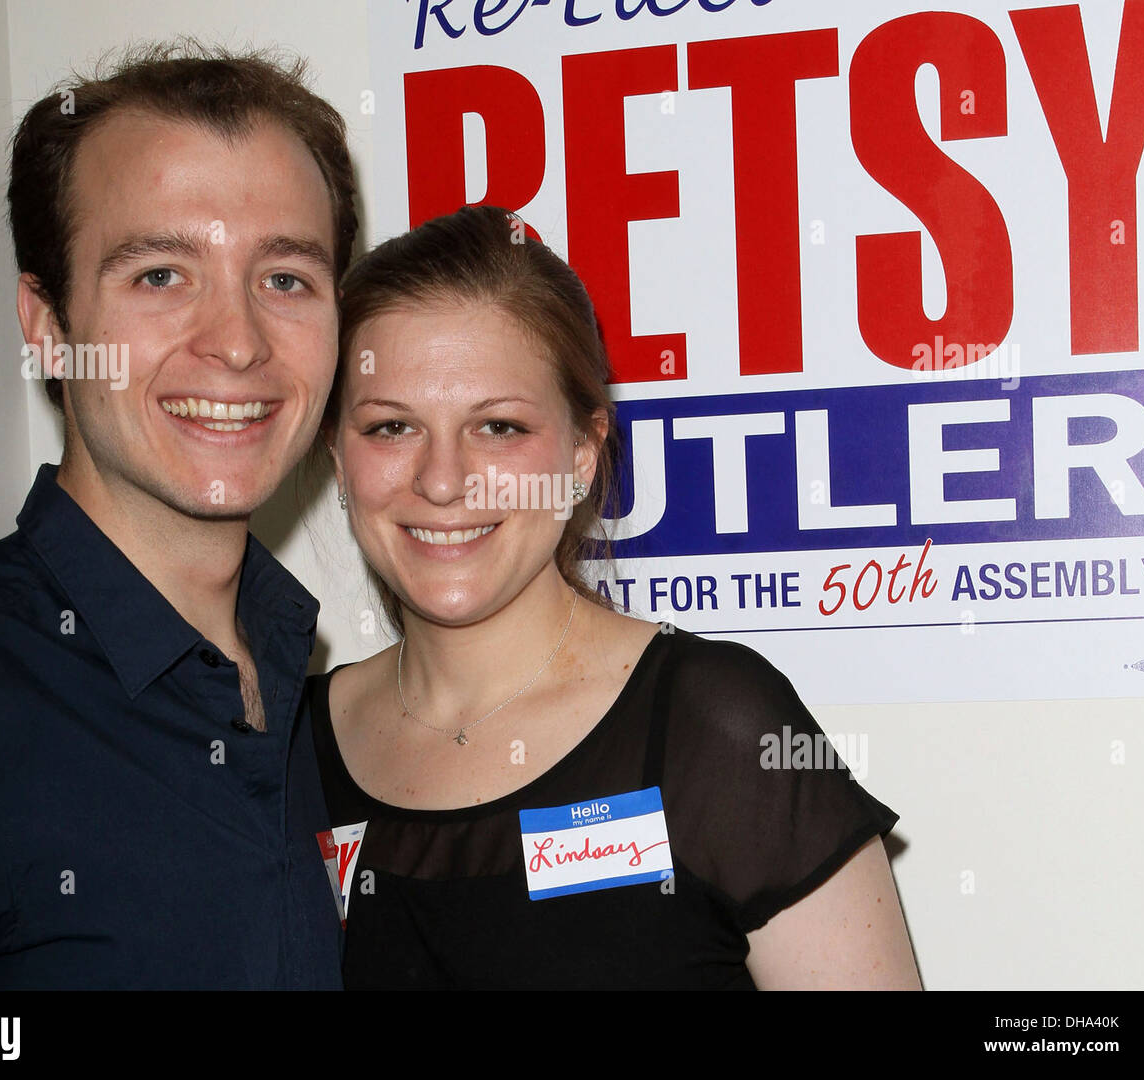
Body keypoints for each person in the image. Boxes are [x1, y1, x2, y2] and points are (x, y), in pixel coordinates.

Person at [309, 204, 922, 989]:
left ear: (581, 452)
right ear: (336, 453)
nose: (441, 479)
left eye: (497, 427)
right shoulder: (283, 753)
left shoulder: (717, 732)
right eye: (392, 428)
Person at [0, 43, 357, 989]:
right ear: (48, 328)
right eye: (162, 275)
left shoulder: (313, 690)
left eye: (286, 278)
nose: (239, 343)